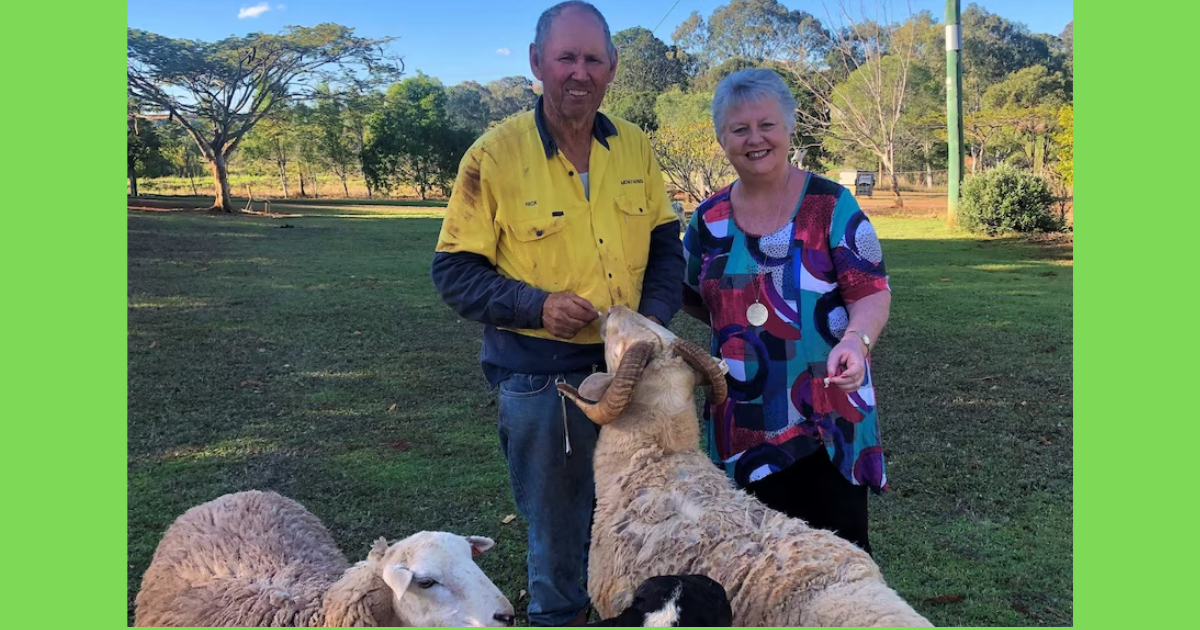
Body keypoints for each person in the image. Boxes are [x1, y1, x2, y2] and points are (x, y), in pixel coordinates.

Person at [430, 2, 684, 625]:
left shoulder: (634, 147)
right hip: (545, 384)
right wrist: (537, 305)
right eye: (566, 57)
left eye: (593, 58)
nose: (580, 71)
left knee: (642, 525)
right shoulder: (493, 156)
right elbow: (454, 273)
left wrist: (647, 329)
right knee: (560, 543)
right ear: (537, 62)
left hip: (634, 374)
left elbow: (665, 248)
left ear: (612, 67)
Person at [681, 68, 892, 554]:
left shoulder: (831, 205)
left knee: (837, 564)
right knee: (754, 564)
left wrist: (855, 340)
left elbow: (871, 291)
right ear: (722, 139)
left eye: (766, 125)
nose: (755, 139)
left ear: (790, 126)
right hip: (741, 421)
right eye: (739, 129)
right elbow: (690, 294)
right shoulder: (708, 220)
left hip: (828, 417)